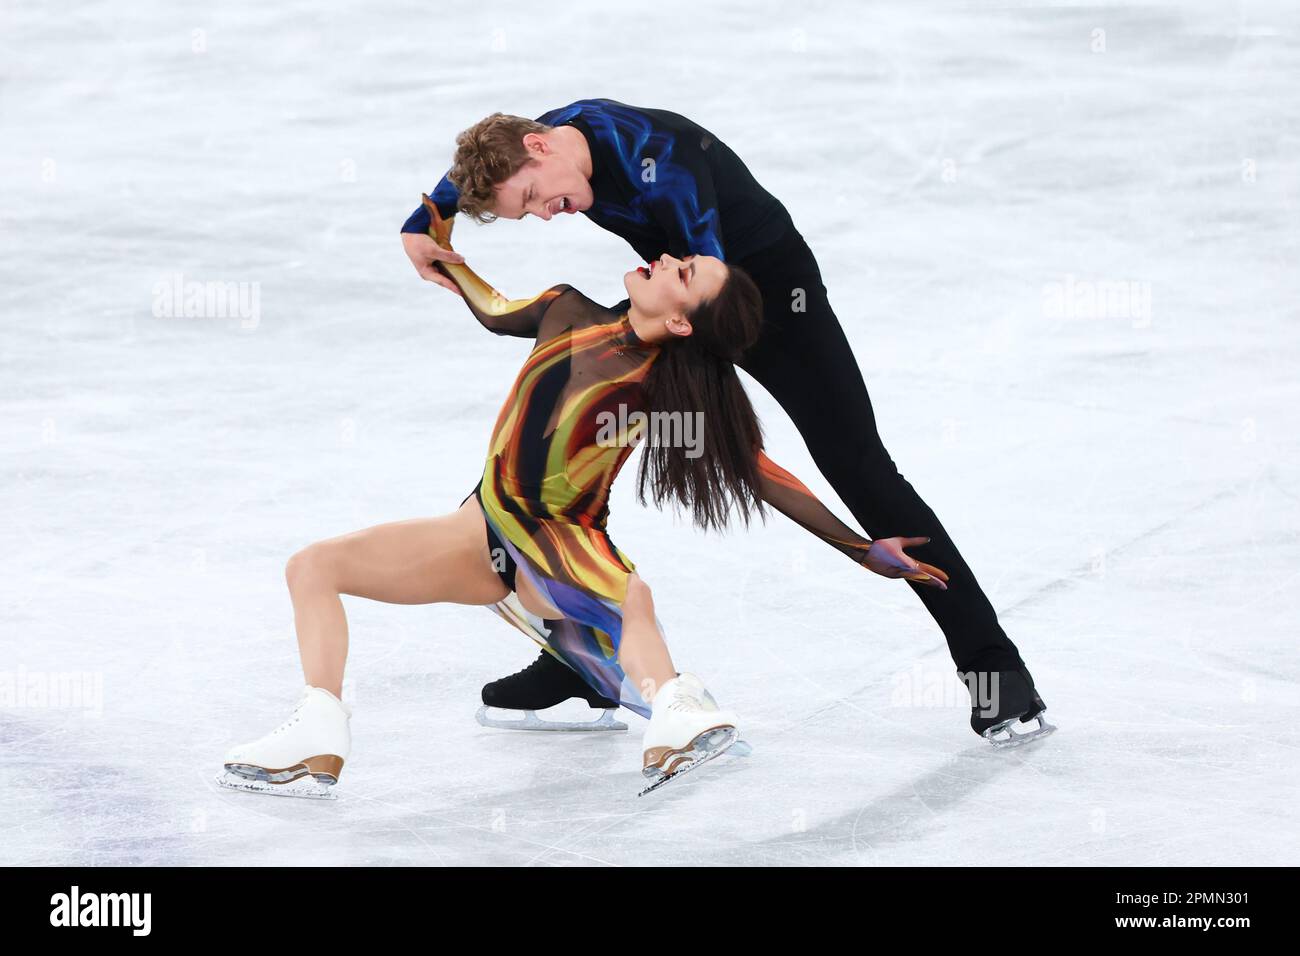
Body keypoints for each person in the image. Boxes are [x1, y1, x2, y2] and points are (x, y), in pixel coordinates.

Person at [217, 200, 947, 799]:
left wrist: (860, 548)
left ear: (684, 320)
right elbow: (497, 309)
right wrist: (443, 247)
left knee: (633, 600)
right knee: (312, 567)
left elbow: (758, 471)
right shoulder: (565, 310)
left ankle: (677, 710)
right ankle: (321, 729)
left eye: (683, 270)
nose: (664, 257)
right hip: (486, 529)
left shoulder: (665, 390)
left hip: (564, 538)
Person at [402, 99, 1052, 746]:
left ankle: (996, 671)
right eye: (529, 212)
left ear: (542, 149)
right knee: (563, 448)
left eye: (536, 199)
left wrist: (689, 308)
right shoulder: (540, 142)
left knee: (859, 466)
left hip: (766, 299)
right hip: (677, 296)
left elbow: (706, 251)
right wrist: (426, 218)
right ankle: (582, 660)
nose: (545, 216)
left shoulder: (655, 154)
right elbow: (486, 159)